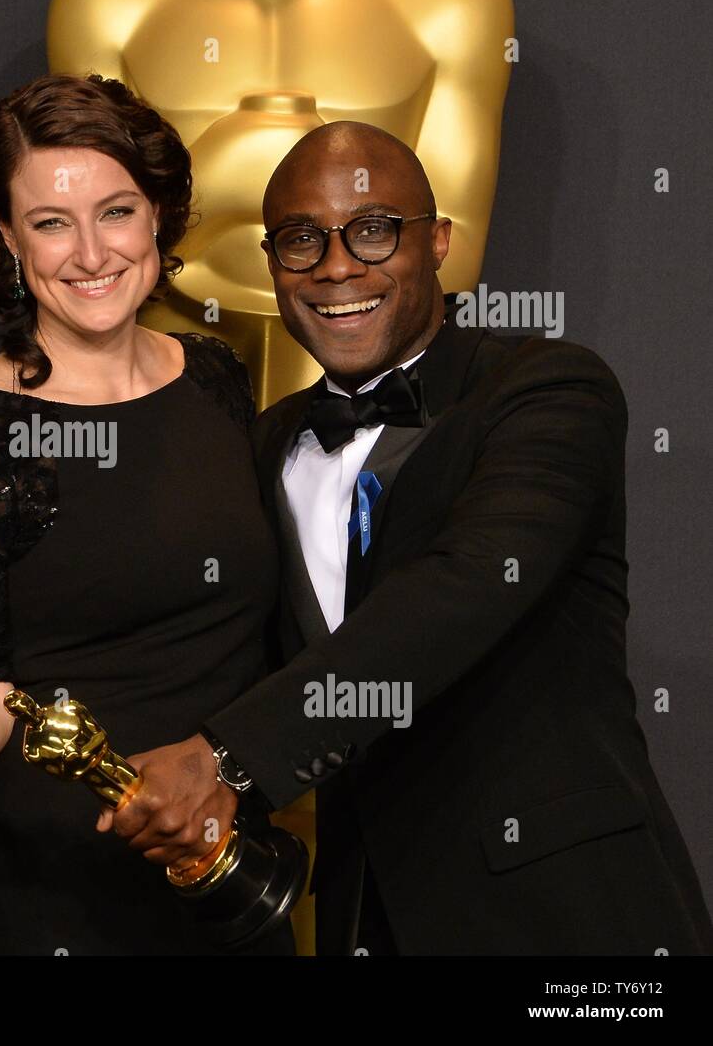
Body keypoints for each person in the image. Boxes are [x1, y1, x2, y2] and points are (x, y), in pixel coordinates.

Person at [101, 120, 713, 955]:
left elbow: (462, 590)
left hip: (566, 915)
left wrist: (223, 757)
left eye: (374, 229)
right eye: (301, 240)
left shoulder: (548, 390)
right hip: (365, 916)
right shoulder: (265, 441)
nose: (337, 266)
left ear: (440, 243)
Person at [0, 73, 286, 954]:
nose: (91, 254)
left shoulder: (215, 375)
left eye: (117, 211)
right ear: (7, 237)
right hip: (62, 892)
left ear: (161, 215)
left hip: (225, 875)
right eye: (52, 223)